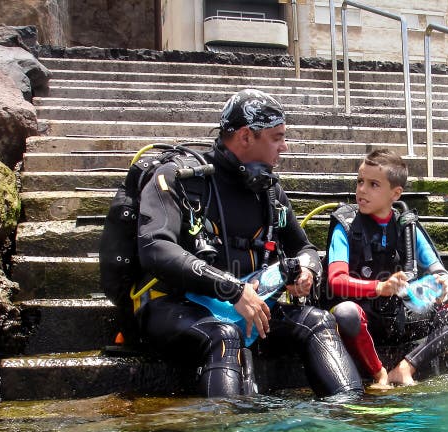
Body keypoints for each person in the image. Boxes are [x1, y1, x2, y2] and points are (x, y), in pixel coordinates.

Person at [134, 88, 363, 399]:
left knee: (319, 321)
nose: (285, 146)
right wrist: (231, 288)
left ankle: (351, 416)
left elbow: (305, 248)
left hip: (255, 307)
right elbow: (155, 247)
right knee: (224, 335)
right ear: (245, 136)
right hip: (175, 307)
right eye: (277, 137)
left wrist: (307, 270)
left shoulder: (269, 190)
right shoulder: (180, 178)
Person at [325, 149, 448, 387]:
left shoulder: (406, 227)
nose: (362, 190)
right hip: (360, 318)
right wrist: (380, 287)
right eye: (359, 182)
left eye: (373, 184)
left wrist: (442, 285)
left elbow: (440, 272)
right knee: (346, 312)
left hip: (399, 317)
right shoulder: (345, 226)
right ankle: (379, 374)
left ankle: (406, 367)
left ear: (395, 193)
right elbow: (336, 280)